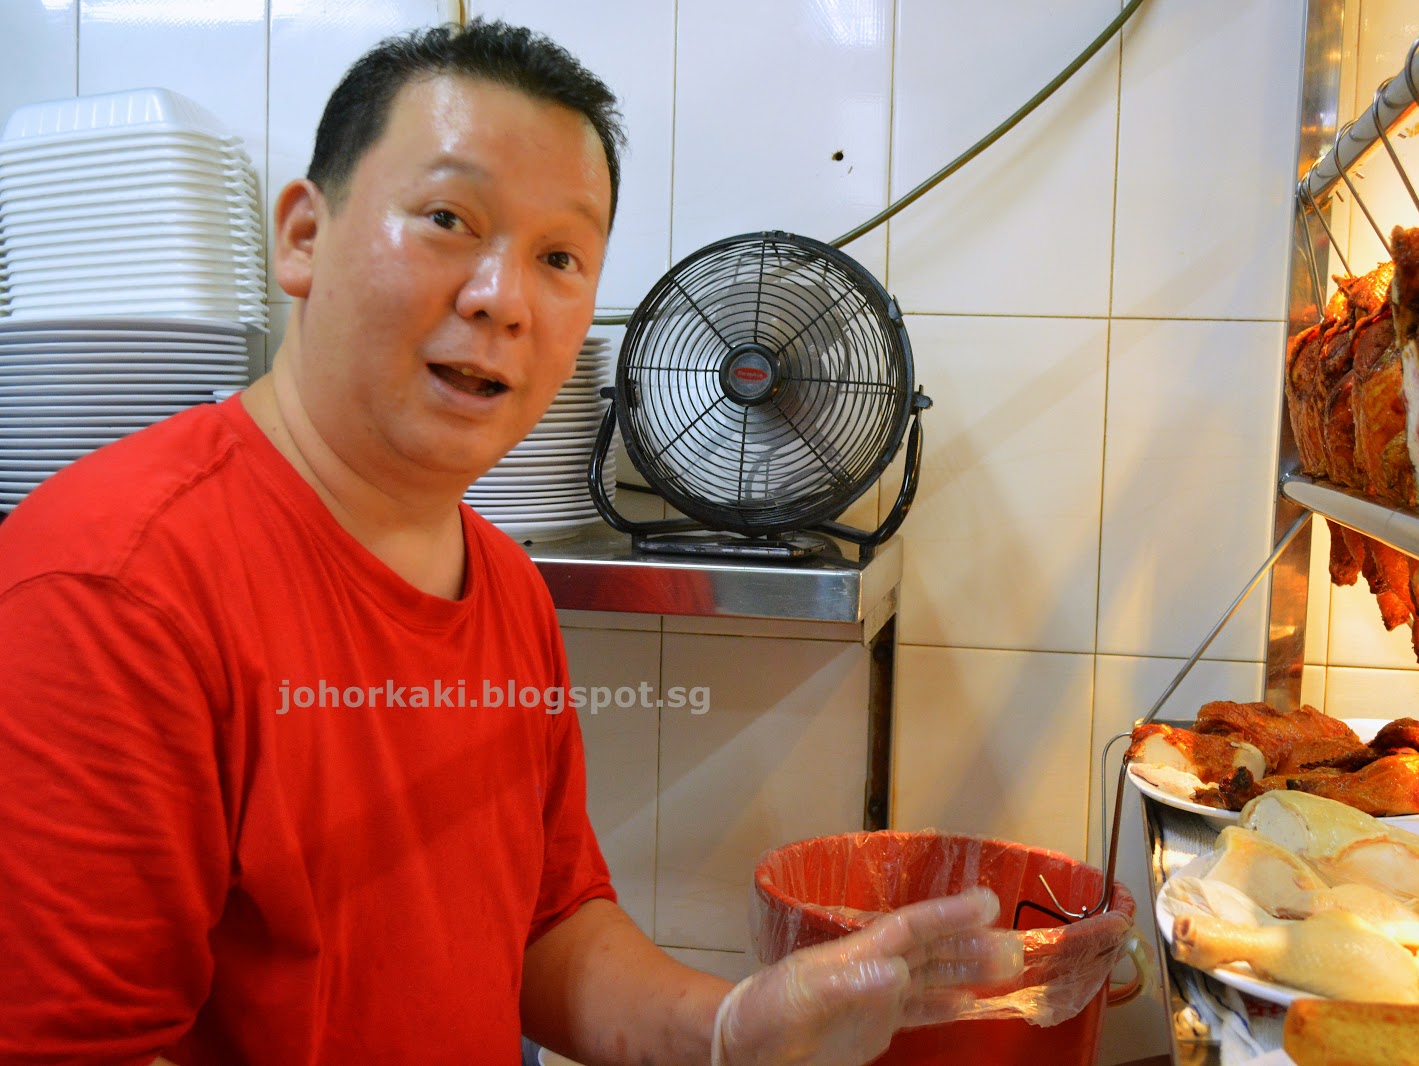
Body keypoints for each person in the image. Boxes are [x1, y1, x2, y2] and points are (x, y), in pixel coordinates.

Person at [0, 19, 1021, 1066]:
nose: (504, 299)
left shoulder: (502, 583)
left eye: (560, 256)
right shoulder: (111, 586)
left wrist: (728, 1029)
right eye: (449, 218)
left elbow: (545, 928)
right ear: (303, 237)